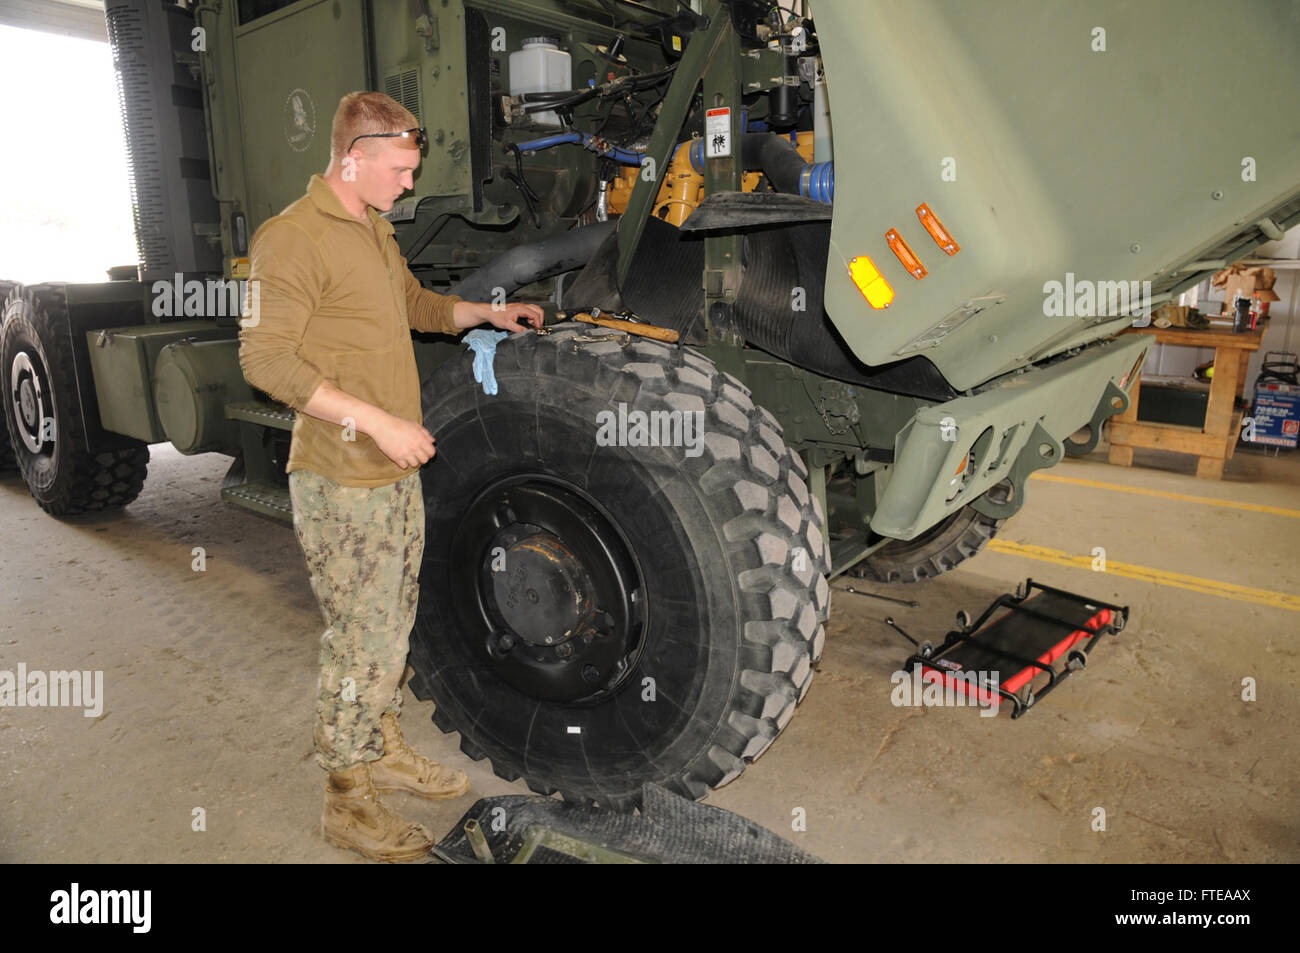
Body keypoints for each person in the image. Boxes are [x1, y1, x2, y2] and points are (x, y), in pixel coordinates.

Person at [238, 91, 543, 862]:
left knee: (392, 626)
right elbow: (264, 359)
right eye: (401, 170)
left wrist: (483, 314)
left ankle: (382, 744)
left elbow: (410, 304)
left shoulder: (372, 229)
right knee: (359, 643)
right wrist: (375, 420)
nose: (410, 184)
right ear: (354, 158)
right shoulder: (292, 238)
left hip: (390, 470)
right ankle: (347, 795)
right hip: (343, 475)